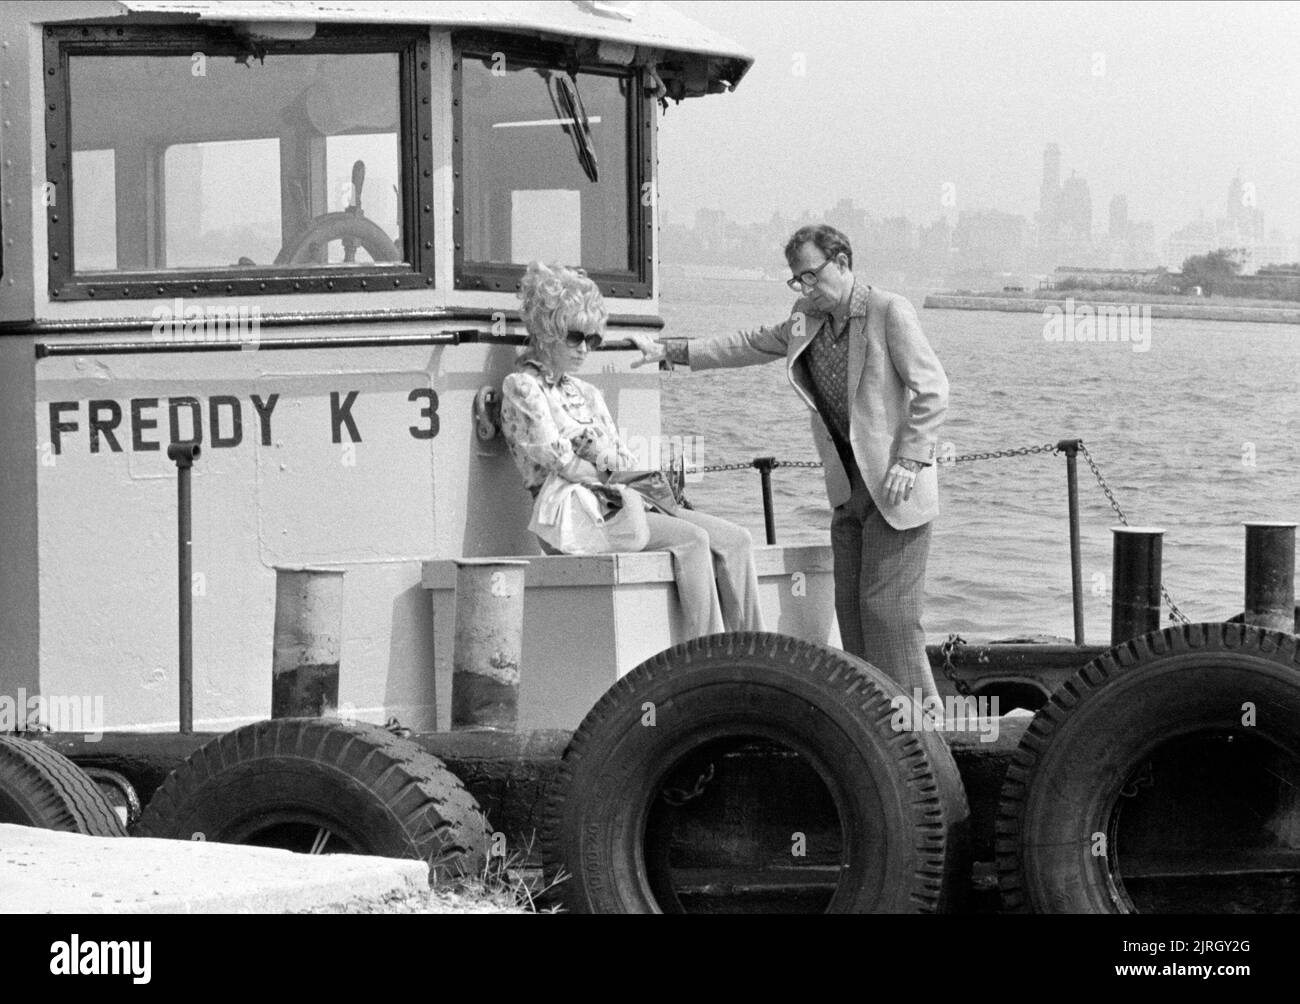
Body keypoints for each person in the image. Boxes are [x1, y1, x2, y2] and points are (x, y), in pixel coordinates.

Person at [629, 225, 948, 700]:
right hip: (847, 490)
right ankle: (876, 725)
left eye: (813, 275)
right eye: (797, 280)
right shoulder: (807, 317)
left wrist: (911, 459)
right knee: (853, 615)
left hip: (895, 488)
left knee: (889, 614)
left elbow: (933, 389)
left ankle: (926, 732)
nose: (806, 288)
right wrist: (670, 352)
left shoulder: (888, 312)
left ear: (842, 262)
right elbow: (751, 343)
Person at [499, 261, 765, 638]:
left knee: (736, 539)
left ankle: (754, 648)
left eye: (592, 340)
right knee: (693, 539)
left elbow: (620, 456)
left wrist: (604, 461)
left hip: (616, 499)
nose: (584, 350)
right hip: (571, 512)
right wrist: (602, 461)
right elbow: (559, 461)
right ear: (546, 332)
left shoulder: (585, 392)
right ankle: (708, 652)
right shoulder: (523, 387)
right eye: (575, 337)